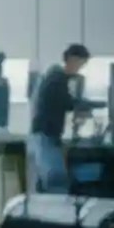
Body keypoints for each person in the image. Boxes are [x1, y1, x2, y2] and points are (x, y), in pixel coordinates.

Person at [28, 43, 90, 193]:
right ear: (72, 59)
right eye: (80, 64)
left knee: (50, 180)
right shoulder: (57, 77)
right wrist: (84, 106)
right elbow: (64, 101)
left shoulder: (54, 77)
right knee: (56, 181)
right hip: (46, 135)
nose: (79, 69)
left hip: (45, 134)